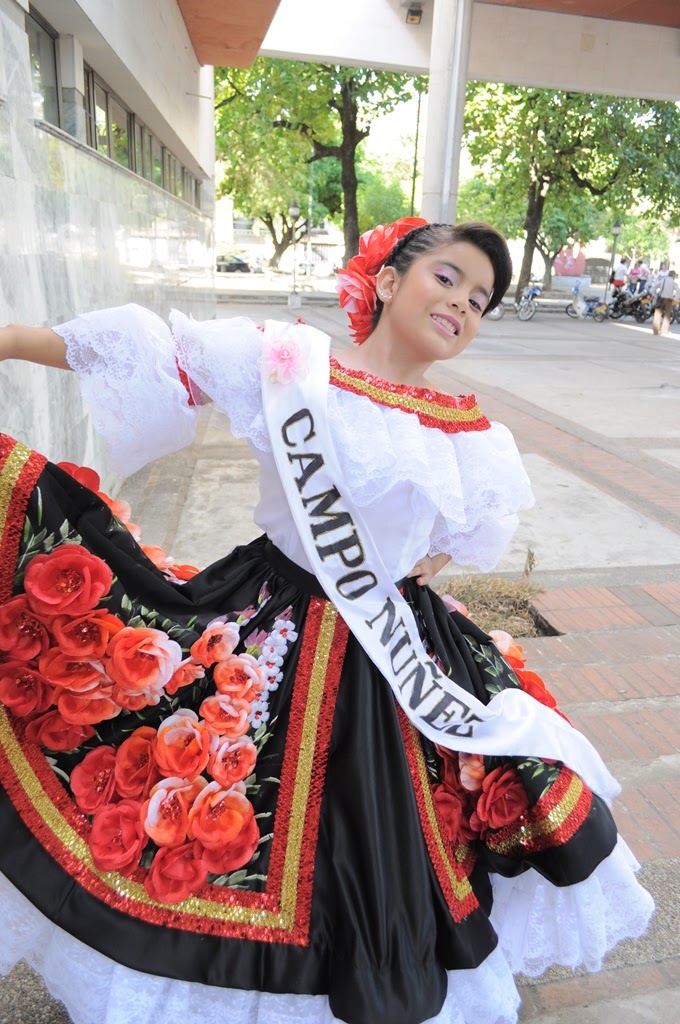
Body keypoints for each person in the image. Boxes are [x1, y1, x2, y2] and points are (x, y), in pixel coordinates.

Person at [0, 219, 653, 1024]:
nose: (461, 304)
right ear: (384, 280)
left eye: (480, 299)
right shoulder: (289, 364)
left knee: (381, 849)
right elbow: (157, 350)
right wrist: (10, 341)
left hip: (395, 650)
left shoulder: (477, 439)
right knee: (234, 821)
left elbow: (448, 542)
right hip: (270, 623)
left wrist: (423, 562)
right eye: (447, 278)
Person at [652, 269, 679, 336]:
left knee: (657, 315)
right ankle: (664, 331)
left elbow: (654, 287)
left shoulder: (663, 280)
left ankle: (655, 331)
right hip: (668, 300)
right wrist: (675, 299)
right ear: (673, 275)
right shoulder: (673, 282)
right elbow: (678, 291)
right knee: (667, 316)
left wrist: (655, 295)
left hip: (660, 299)